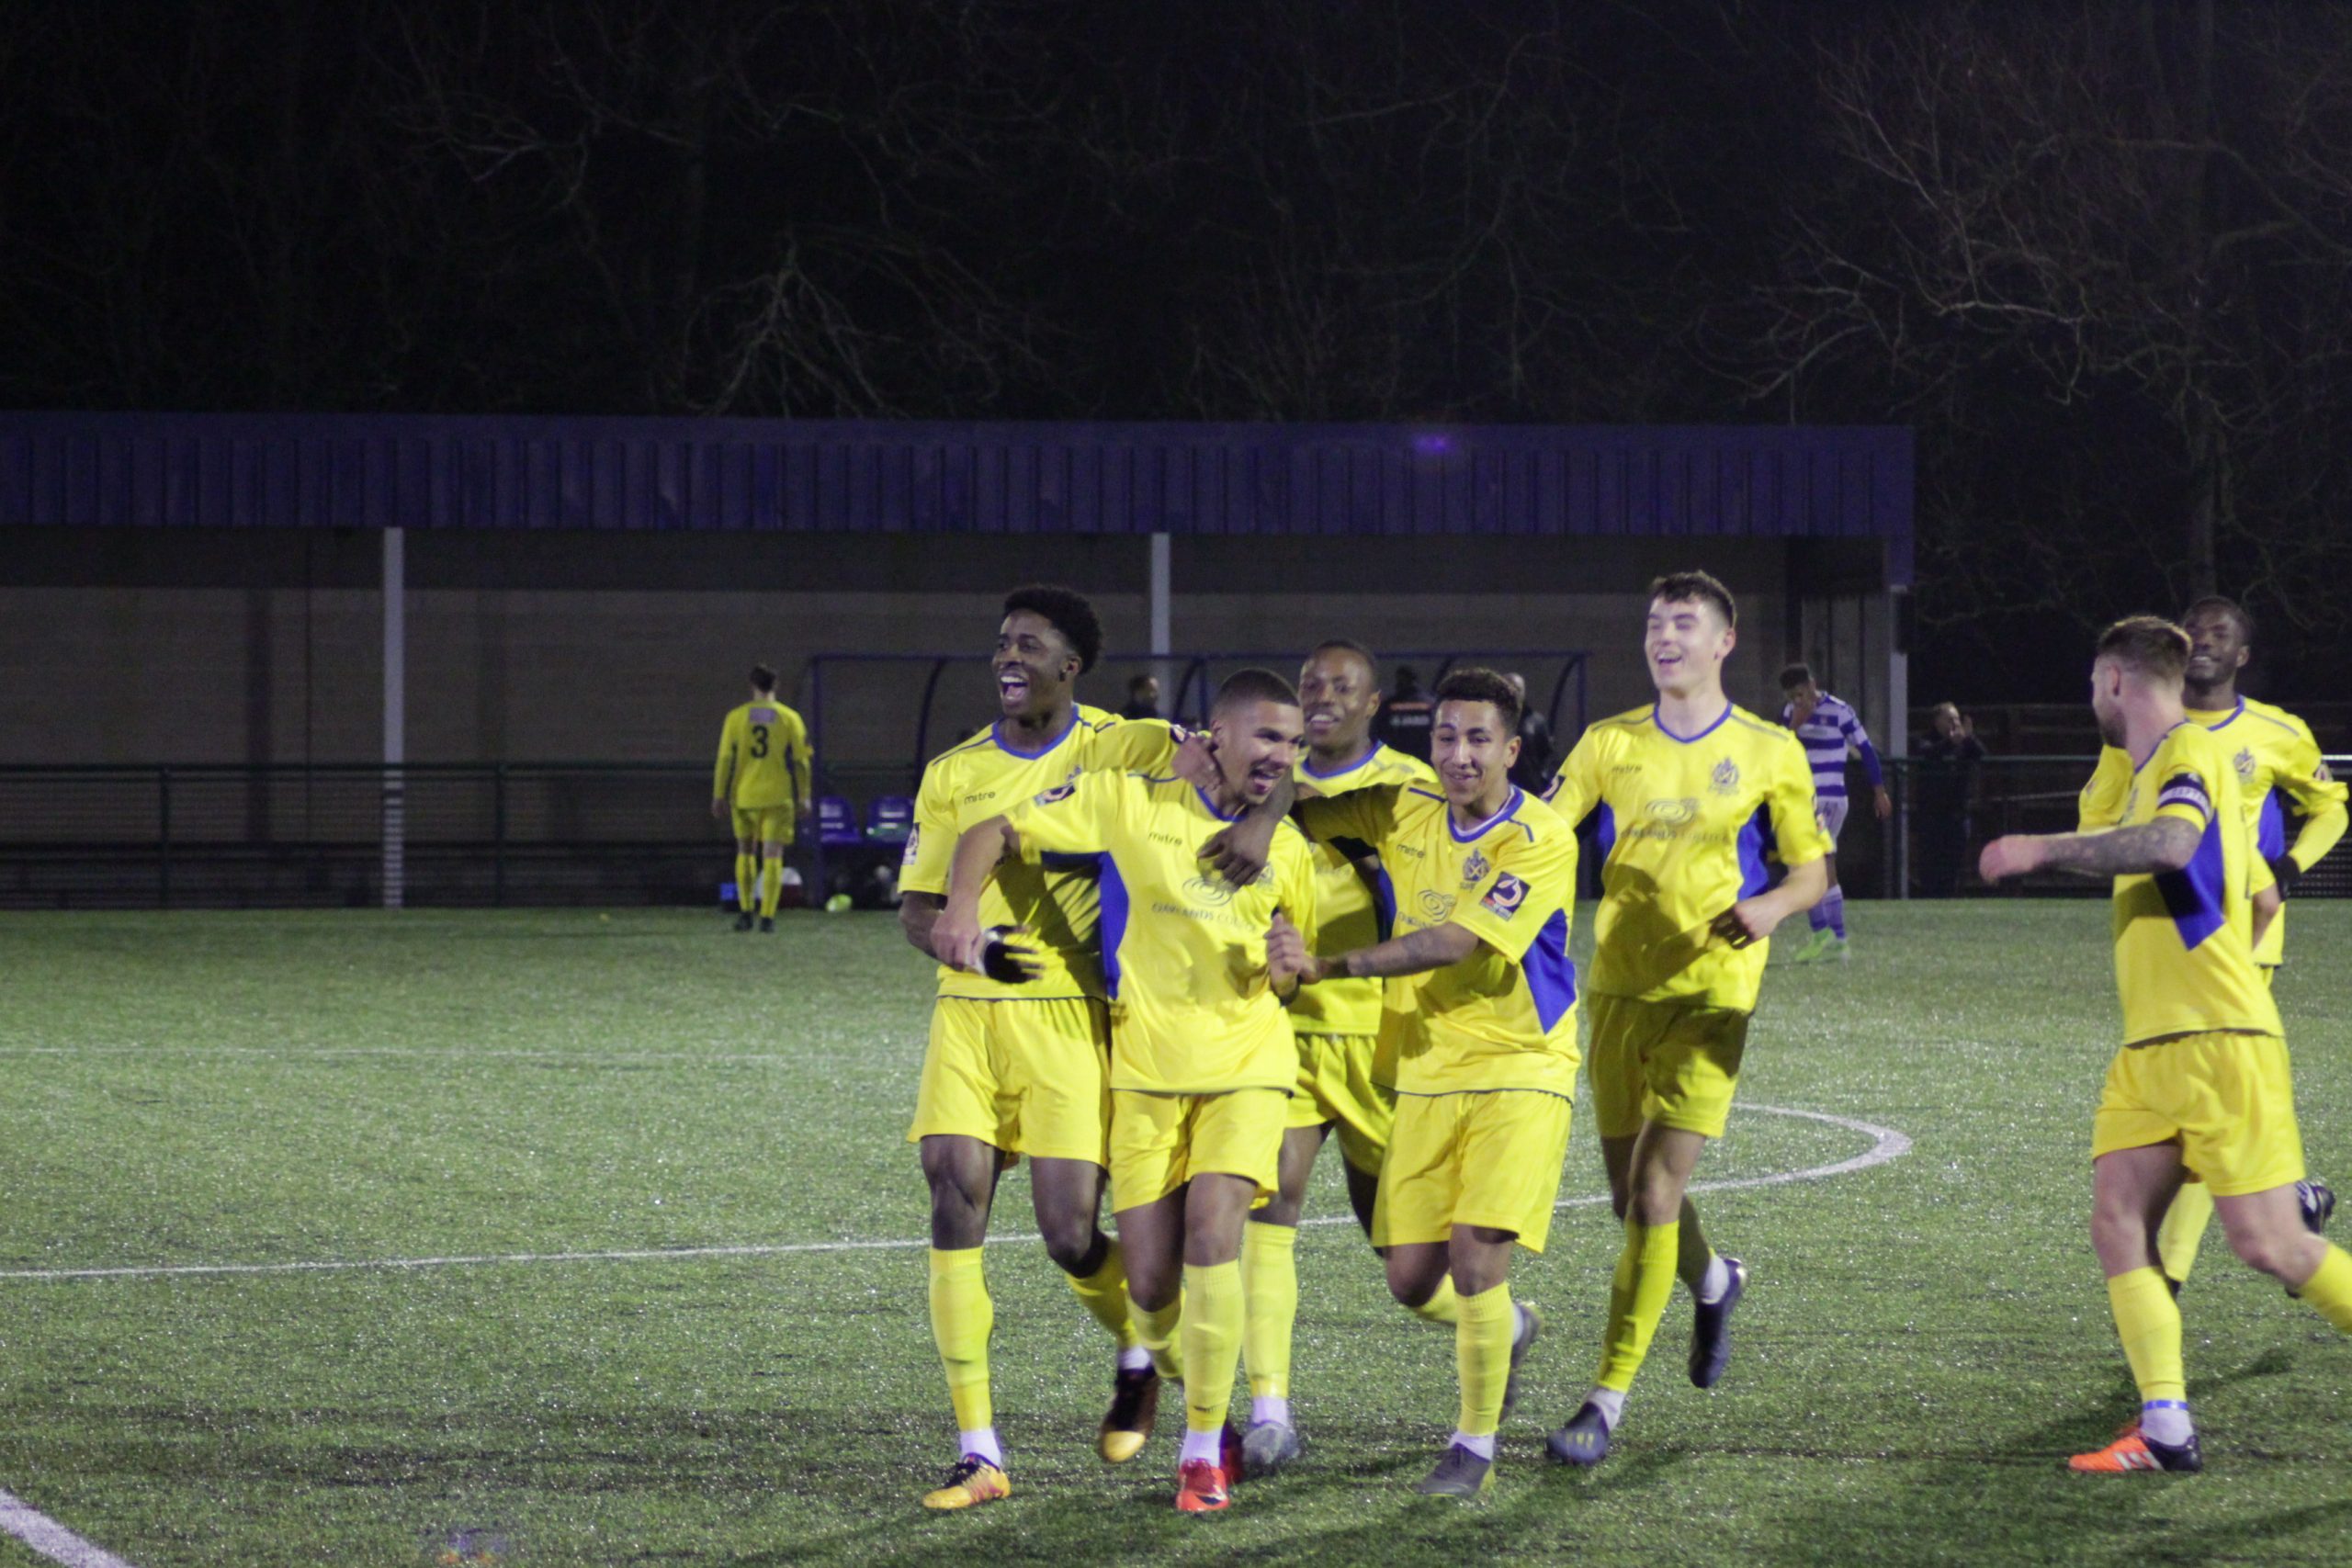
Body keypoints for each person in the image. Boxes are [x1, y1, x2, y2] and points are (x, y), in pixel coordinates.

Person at [933, 668, 1319, 1514]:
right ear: (1214, 733)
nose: (1281, 755)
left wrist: (1292, 970)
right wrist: (960, 909)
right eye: (1266, 736)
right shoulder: (1129, 801)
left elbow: (1293, 972)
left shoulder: (1288, 849)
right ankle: (1195, 1401)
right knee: (1148, 1291)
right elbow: (993, 828)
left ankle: (1200, 1455)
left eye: (1293, 743)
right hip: (1146, 1073)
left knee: (1214, 1233)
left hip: (1249, 1068)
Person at [895, 586, 1240, 1510]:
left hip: (1069, 1013)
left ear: (1069, 666)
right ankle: (979, 1451)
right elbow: (916, 911)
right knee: (951, 1193)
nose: (1009, 657)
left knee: (1069, 1233)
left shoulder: (1123, 743)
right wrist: (958, 939)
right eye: (1002, 643)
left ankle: (1146, 1352)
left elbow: (1222, 760)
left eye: (1029, 645)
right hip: (968, 1011)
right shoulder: (954, 771)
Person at [1981, 615, 2352, 1474]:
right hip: (2152, 1046)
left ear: (2115, 680)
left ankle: (2166, 1421)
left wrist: (2038, 848)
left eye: (2093, 684)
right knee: (2117, 1222)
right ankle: (2165, 1426)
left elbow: (2174, 844)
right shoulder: (2142, 768)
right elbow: (2237, 885)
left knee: (2273, 1246)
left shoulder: (2189, 751)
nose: (2091, 699)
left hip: (2217, 1039)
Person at [1542, 571, 1829, 1468]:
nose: (1664, 638)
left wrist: (1771, 908)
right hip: (1618, 989)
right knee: (1630, 1196)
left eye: (1683, 624)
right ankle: (1713, 1278)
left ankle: (1605, 1400)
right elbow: (1542, 830)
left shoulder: (1768, 749)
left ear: (1723, 641)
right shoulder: (1607, 742)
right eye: (1654, 623)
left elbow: (1811, 872)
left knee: (1654, 1193)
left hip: (1713, 994)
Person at [1281, 668, 1577, 1497]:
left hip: (1521, 1065)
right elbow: (1303, 810)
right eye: (1446, 736)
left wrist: (1328, 964)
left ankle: (1473, 1446)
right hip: (1424, 1066)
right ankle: (1509, 1329)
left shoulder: (1541, 836)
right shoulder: (1401, 806)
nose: (1459, 754)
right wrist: (1234, 763)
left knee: (1476, 1255)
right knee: (1410, 1278)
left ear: (1511, 750)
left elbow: (1454, 941)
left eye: (1479, 739)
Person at [2075, 596, 2344, 1291]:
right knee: (2200, 1108)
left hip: (2242, 938)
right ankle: (2289, 1205)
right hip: (2166, 935)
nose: (2203, 640)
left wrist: (2287, 870)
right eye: (2193, 629)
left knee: (2205, 1105)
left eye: (2221, 632)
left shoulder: (2276, 731)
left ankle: (2176, 1273)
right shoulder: (2141, 731)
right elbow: (2096, 815)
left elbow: (2330, 808)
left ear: (2243, 655)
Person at [1235, 638, 1442, 1476]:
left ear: (1372, 704)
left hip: (1380, 1038)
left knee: (1404, 1257)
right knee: (1268, 1206)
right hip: (1282, 1030)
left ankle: (1497, 1324)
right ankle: (1270, 1411)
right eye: (1309, 683)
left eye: (1340, 686)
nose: (1321, 696)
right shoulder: (1265, 777)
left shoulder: (1412, 787)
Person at [1778, 663, 1890, 960]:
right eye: (1792, 697)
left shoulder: (1840, 711)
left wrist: (1879, 790)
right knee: (1820, 866)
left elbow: (1866, 750)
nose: (1798, 700)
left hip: (1827, 798)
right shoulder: (1790, 714)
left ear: (1812, 684)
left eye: (1801, 693)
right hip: (1802, 799)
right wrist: (1794, 726)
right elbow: (1777, 752)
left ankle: (1825, 934)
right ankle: (1836, 939)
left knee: (1806, 865)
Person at [711, 664, 812, 933]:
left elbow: (725, 758)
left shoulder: (736, 717)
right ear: (775, 685)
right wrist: (804, 795)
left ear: (752, 685)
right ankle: (767, 917)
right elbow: (801, 761)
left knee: (745, 851)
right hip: (778, 796)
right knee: (772, 855)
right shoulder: (789, 717)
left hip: (744, 795)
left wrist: (719, 794)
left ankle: (746, 913)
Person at [1912, 703, 1987, 897]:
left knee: (1955, 863)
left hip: (1957, 815)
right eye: (1950, 719)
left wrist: (1969, 738)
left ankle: (1952, 899)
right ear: (1937, 721)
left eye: (1957, 719)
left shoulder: (1964, 743)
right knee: (1931, 864)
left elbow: (1982, 755)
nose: (1955, 723)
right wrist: (1950, 743)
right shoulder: (1925, 740)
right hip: (1932, 816)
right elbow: (1926, 754)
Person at [1505, 671, 1555, 792]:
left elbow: (1547, 754)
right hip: (1501, 786)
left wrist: (1542, 777)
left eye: (1518, 689)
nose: (1514, 692)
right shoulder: (1492, 720)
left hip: (1530, 787)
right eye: (1510, 688)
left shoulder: (1535, 721)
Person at [1375, 665, 1435, 762]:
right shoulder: (1431, 704)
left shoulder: (1388, 706)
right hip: (1425, 759)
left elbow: (1378, 733)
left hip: (1398, 761)